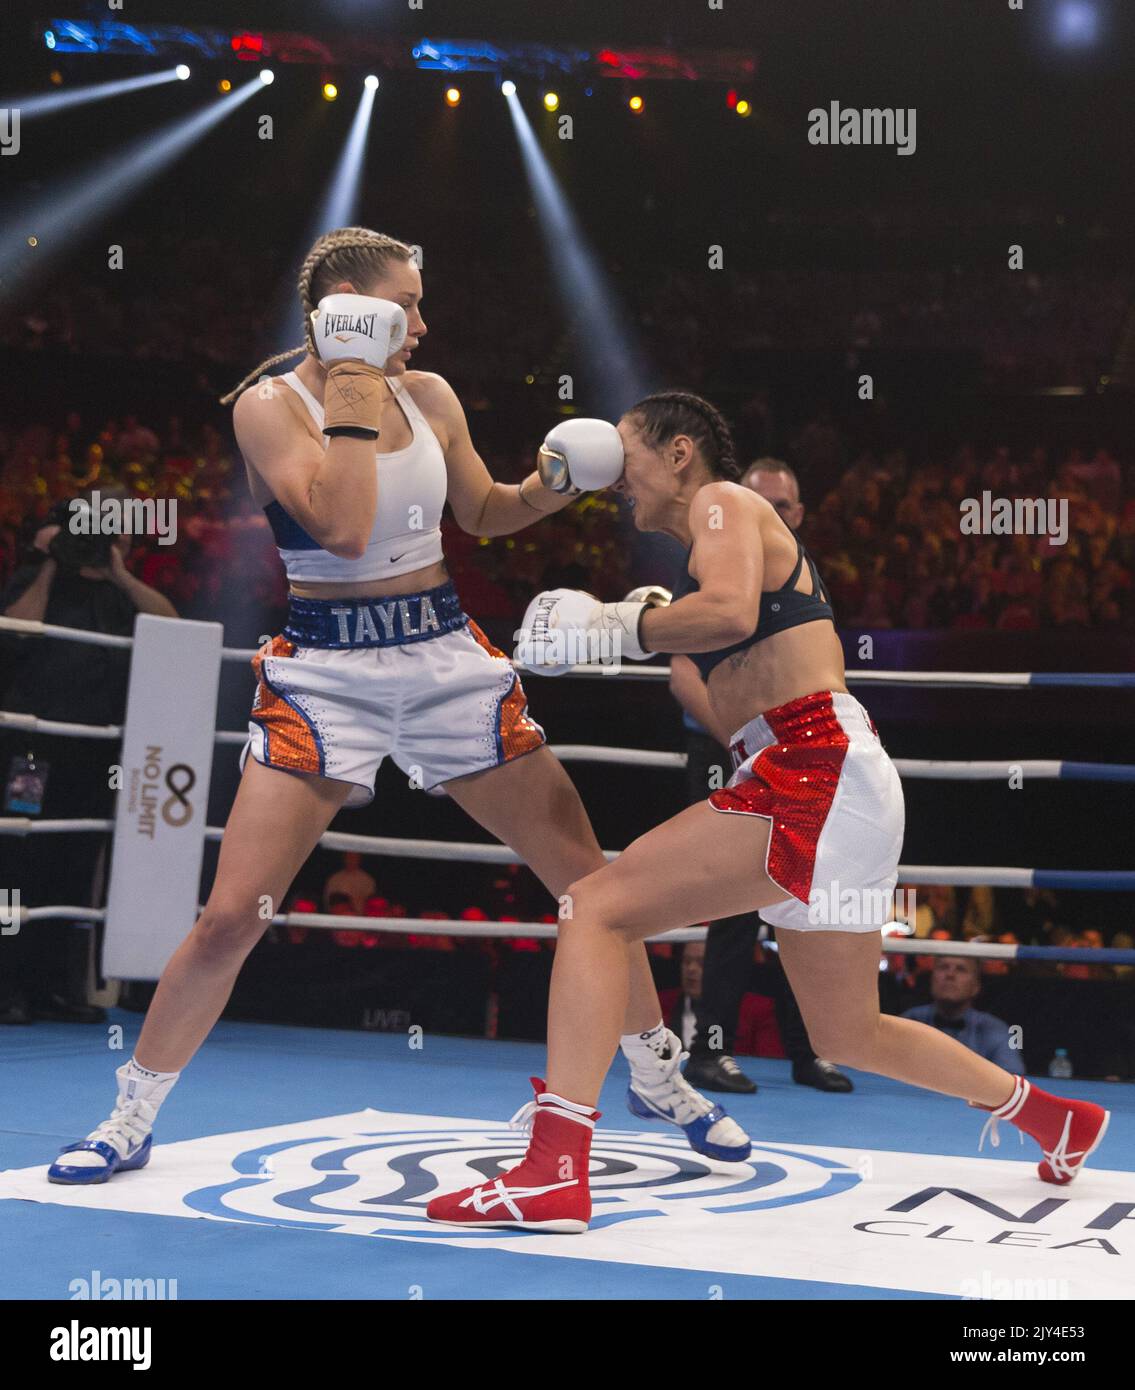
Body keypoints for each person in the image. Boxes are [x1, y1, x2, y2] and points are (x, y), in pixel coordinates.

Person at [46, 229, 748, 1185]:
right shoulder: (269, 407)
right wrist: (346, 379)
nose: (422, 325)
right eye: (405, 306)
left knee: (591, 885)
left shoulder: (431, 395)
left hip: (444, 654)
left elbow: (483, 514)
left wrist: (553, 487)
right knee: (231, 918)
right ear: (349, 308)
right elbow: (338, 525)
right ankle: (130, 1115)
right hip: (325, 671)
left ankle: (655, 1074)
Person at [427, 390, 1109, 1231]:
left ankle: (553, 1169)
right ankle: (1053, 1117)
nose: (617, 484)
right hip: (822, 774)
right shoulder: (699, 570)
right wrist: (633, 626)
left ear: (679, 454)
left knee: (597, 907)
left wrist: (615, 628)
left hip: (814, 766)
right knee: (847, 1032)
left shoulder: (726, 501)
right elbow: (723, 689)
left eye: (629, 458)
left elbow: (729, 614)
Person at [672, 457, 851, 1095]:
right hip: (730, 751)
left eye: (783, 504)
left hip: (795, 756)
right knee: (737, 901)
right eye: (757, 500)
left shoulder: (799, 574)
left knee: (800, 899)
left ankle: (811, 1051)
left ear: (798, 515)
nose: (768, 511)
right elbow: (683, 673)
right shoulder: (713, 560)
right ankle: (708, 1051)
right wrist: (749, 746)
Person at [0, 492, 177, 1026]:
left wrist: (119, 574)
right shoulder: (34, 578)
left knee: (76, 866)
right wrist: (53, 563)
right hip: (33, 753)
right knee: (18, 863)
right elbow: (13, 632)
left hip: (98, 754)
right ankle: (8, 986)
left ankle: (57, 987)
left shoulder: (120, 594)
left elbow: (174, 626)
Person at [903, 957, 1024, 1072]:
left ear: (976, 986)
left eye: (961, 969)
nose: (950, 975)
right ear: (932, 979)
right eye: (943, 967)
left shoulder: (997, 1029)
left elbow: (1014, 1077)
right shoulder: (909, 1021)